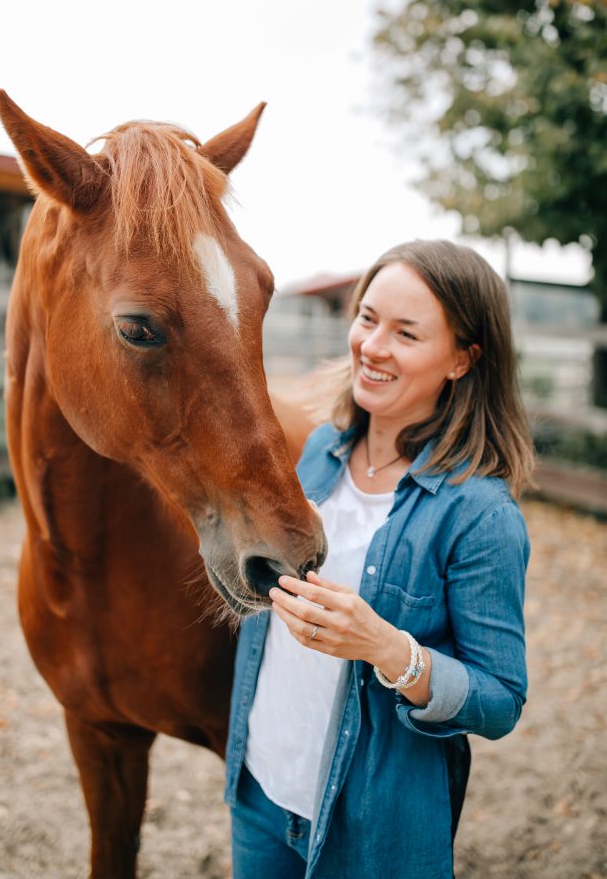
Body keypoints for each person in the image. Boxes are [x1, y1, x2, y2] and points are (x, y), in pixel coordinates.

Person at [224, 239, 535, 879]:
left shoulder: (481, 515)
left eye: (406, 333)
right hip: (259, 790)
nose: (372, 345)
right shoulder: (318, 452)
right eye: (367, 318)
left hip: (371, 831)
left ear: (462, 359)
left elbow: (501, 699)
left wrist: (388, 649)